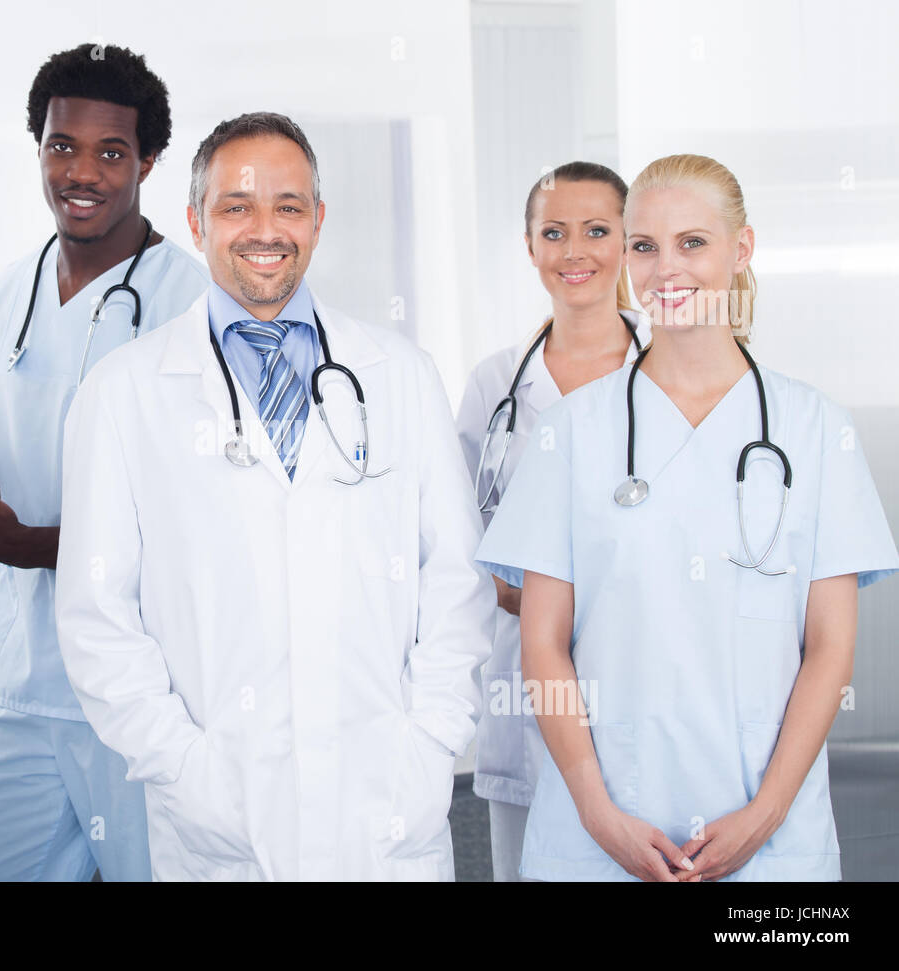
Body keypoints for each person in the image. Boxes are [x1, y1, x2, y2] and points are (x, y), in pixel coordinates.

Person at [55, 111, 495, 881]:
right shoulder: (123, 393)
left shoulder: (399, 374)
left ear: (318, 220)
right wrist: (187, 768)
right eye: (237, 206)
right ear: (196, 221)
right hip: (217, 822)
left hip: (384, 812)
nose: (266, 229)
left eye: (289, 206)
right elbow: (97, 619)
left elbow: (456, 581)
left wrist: (428, 746)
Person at [476, 154, 899, 881]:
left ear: (743, 249)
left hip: (770, 842)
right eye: (644, 246)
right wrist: (596, 812)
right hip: (599, 840)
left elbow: (829, 649)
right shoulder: (570, 432)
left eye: (693, 243)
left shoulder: (813, 428)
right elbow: (542, 646)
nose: (665, 269)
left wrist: (763, 816)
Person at [0, 44, 207, 882]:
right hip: (21, 684)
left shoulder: (187, 304)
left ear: (149, 161)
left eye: (111, 152)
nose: (82, 171)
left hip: (138, 686)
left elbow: (190, 506)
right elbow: (18, 435)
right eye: (61, 146)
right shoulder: (12, 289)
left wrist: (30, 545)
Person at [456, 161, 649, 881]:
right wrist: (536, 594)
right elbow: (463, 539)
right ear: (529, 246)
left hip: (651, 676)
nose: (576, 251)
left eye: (598, 230)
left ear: (629, 241)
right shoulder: (496, 382)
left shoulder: (674, 369)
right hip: (526, 693)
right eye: (554, 232)